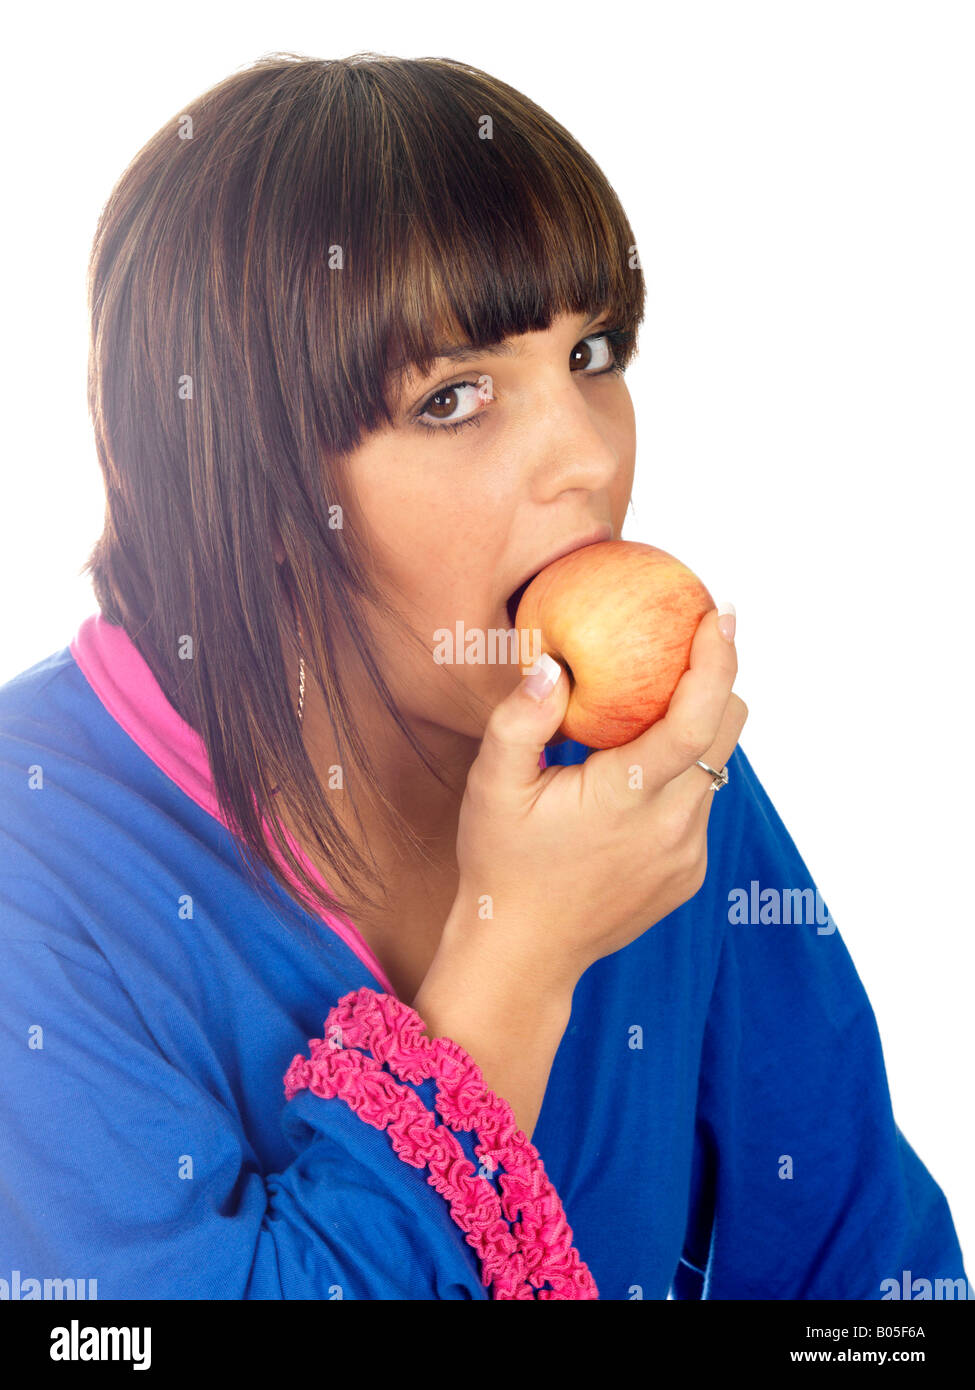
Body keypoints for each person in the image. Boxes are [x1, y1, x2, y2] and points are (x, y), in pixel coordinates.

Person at [0, 51, 966, 1302]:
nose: (585, 456)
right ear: (250, 490)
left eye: (595, 352)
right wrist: (518, 966)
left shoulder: (650, 782)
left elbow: (860, 1270)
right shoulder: (35, 856)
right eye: (454, 397)